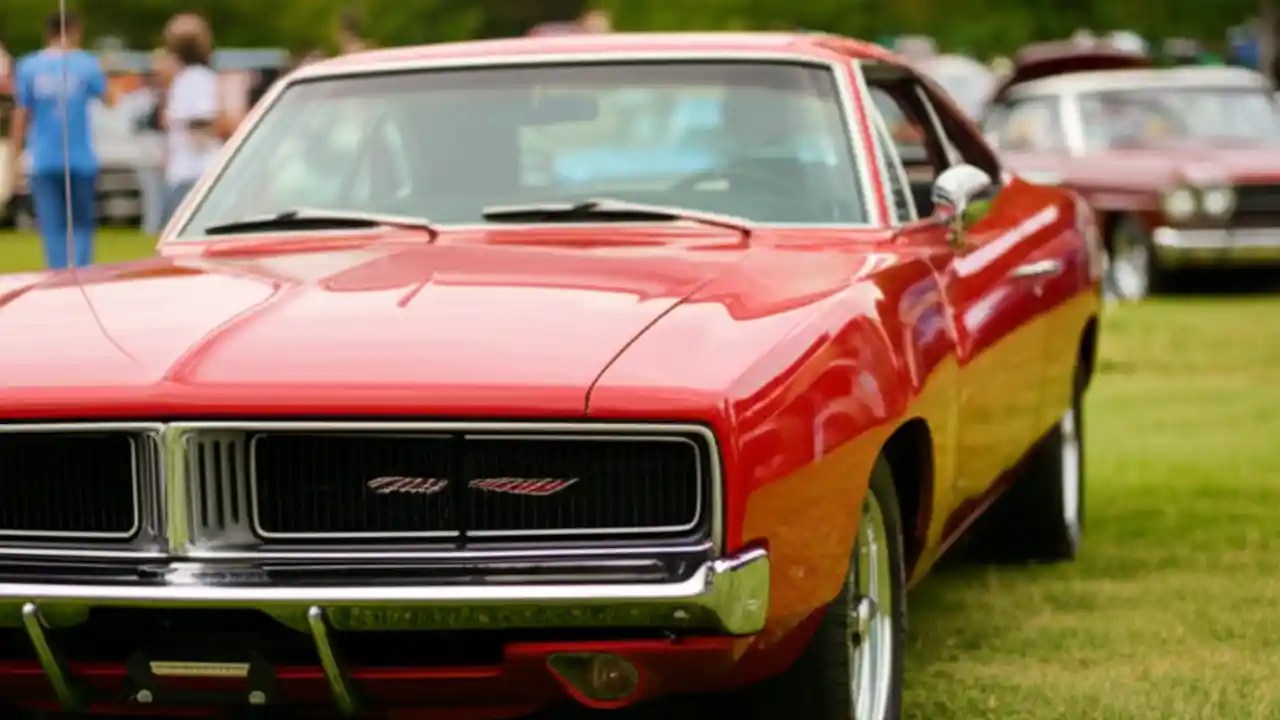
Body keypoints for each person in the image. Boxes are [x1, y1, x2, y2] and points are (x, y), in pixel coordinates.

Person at [8, 12, 113, 270]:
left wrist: (15, 156)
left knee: (52, 225)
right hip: (80, 156)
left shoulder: (29, 66)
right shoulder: (87, 64)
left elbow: (21, 115)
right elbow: (110, 100)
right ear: (76, 30)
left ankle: (57, 274)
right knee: (81, 224)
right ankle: (81, 270)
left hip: (43, 156)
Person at [160, 13, 233, 226]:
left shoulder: (193, 79)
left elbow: (200, 121)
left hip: (193, 172)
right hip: (194, 172)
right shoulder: (197, 78)